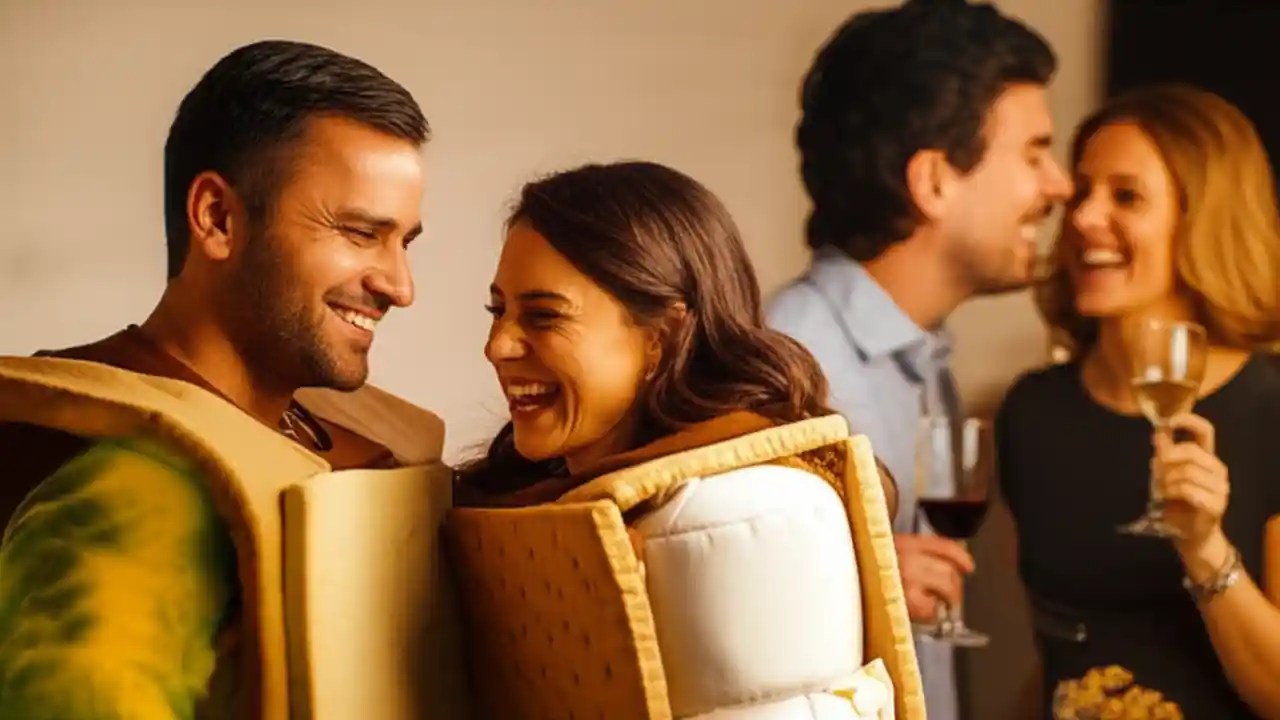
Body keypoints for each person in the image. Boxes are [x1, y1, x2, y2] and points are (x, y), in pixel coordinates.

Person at [0, 39, 433, 717]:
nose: (400, 286)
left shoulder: (329, 433)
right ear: (217, 218)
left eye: (404, 241)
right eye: (358, 232)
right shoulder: (136, 486)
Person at [454, 160, 920, 717]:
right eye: (497, 311)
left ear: (664, 336)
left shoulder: (743, 511)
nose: (498, 346)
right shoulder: (540, 500)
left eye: (544, 317)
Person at [765, 1, 1072, 716]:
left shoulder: (923, 363)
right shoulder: (789, 367)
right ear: (934, 181)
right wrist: (849, 587)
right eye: (1033, 153)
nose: (1057, 186)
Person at [998, 84, 1280, 718]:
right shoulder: (1031, 413)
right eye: (1083, 190)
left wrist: (1205, 548)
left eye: (1125, 196)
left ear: (1203, 220)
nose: (1082, 217)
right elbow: (1060, 652)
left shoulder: (1271, 410)